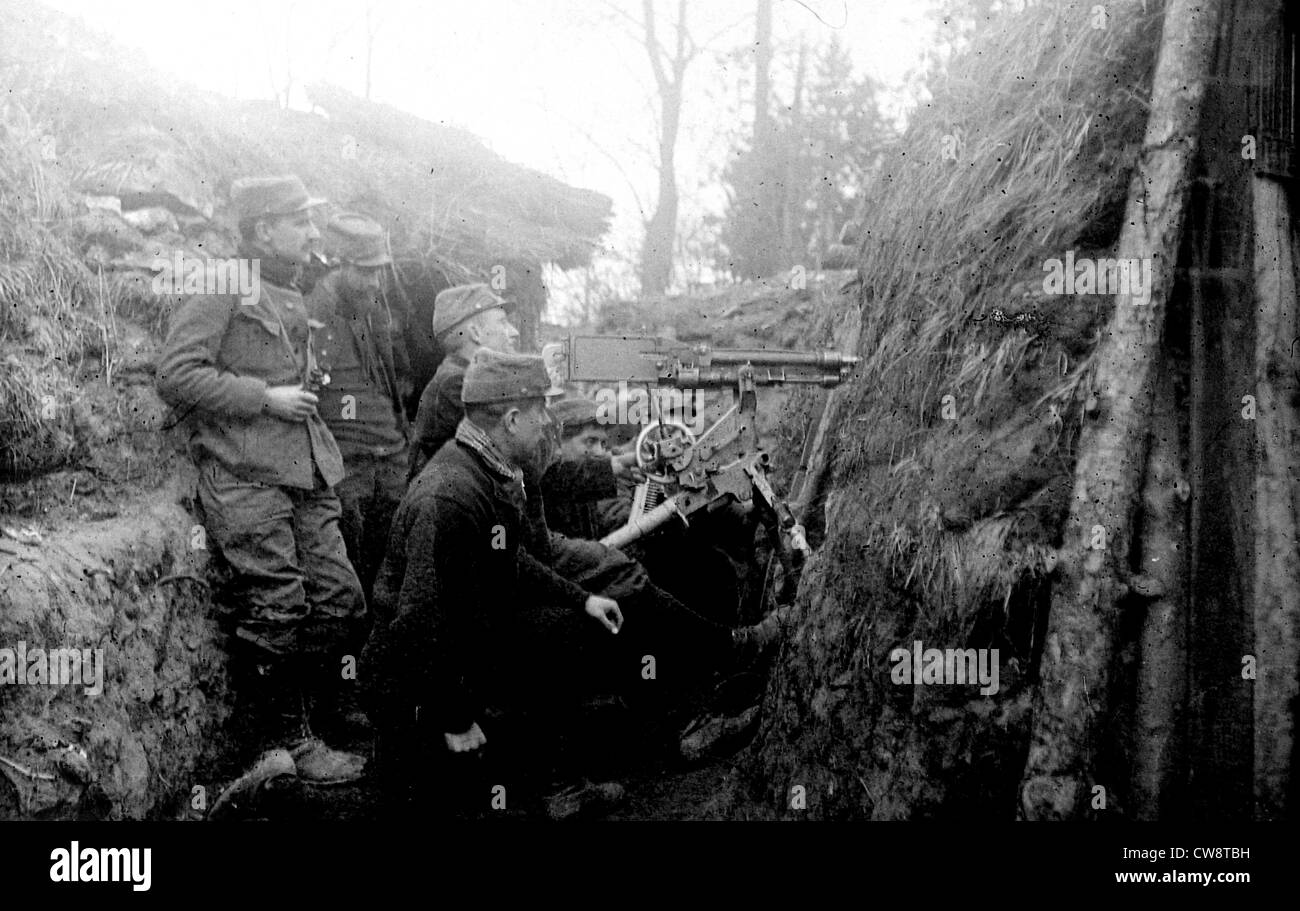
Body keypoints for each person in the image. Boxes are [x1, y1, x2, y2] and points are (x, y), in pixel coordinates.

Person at [363, 350, 763, 817]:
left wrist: (583, 597)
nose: (546, 426)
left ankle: (568, 778)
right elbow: (416, 622)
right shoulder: (450, 496)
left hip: (458, 640)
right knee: (564, 636)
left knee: (583, 617)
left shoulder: (488, 467)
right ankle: (555, 785)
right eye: (540, 415)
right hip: (416, 684)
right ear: (512, 419)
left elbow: (510, 559)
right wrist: (455, 717)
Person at [156, 175, 366, 784]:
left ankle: (317, 715)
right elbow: (176, 373)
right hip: (245, 473)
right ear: (262, 229)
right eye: (298, 220)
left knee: (340, 598)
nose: (312, 232)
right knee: (277, 608)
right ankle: (284, 743)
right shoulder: (224, 284)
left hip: (304, 469)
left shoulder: (287, 289)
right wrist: (263, 397)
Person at [307, 213, 408, 603]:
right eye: (366, 271)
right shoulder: (315, 313)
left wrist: (401, 439)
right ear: (340, 264)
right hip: (349, 466)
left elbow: (393, 378)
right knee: (355, 576)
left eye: (379, 271)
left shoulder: (371, 308)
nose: (376, 282)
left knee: (393, 572)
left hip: (389, 459)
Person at [407, 283, 519, 480]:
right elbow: (512, 447)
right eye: (502, 322)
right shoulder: (457, 383)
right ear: (475, 333)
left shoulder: (463, 378)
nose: (513, 332)